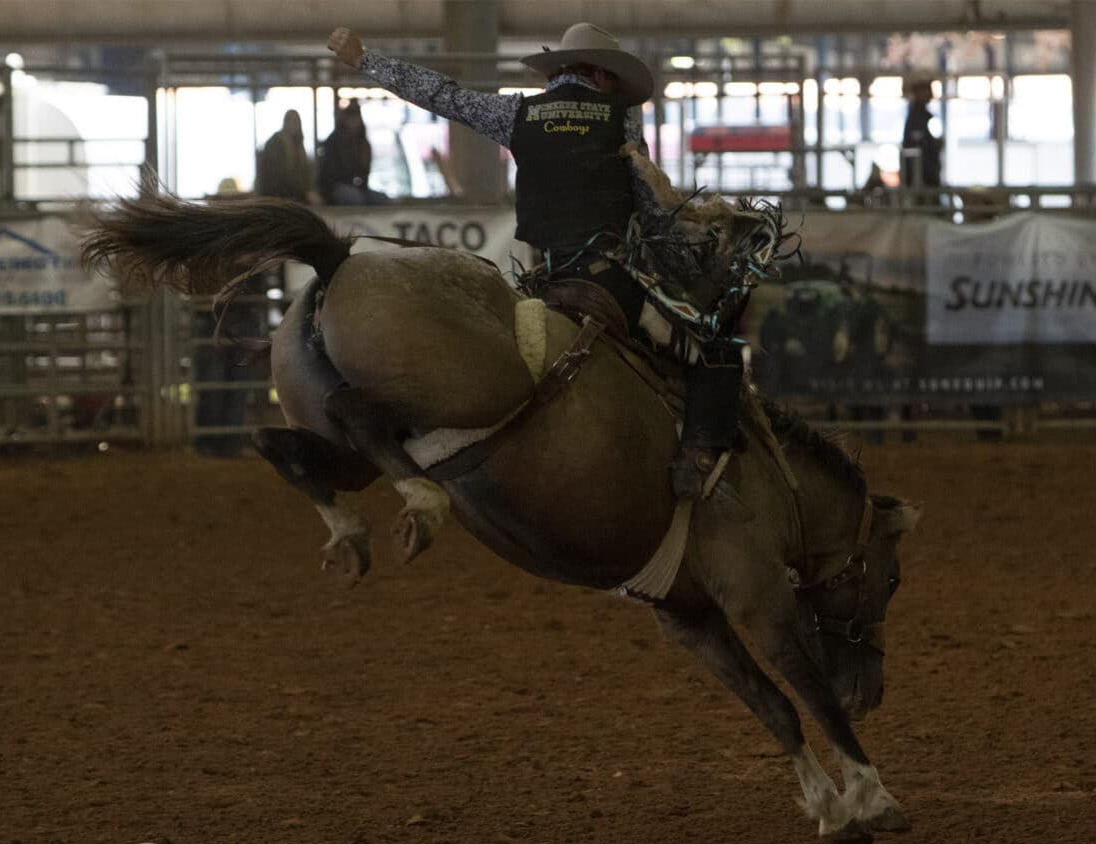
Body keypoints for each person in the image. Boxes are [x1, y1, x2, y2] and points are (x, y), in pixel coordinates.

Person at [328, 22, 743, 498]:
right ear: (602, 75)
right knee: (716, 340)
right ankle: (698, 455)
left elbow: (443, 95)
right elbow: (653, 215)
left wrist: (365, 59)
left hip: (541, 283)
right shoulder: (623, 124)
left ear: (562, 69)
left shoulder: (517, 112)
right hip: (611, 282)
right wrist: (692, 260)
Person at [318, 101, 385, 205]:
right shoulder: (335, 141)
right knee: (356, 198)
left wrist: (359, 182)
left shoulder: (363, 143)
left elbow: (365, 171)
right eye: (351, 118)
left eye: (356, 118)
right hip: (336, 187)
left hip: (358, 187)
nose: (354, 122)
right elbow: (329, 172)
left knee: (381, 199)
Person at [255, 109, 315, 203]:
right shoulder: (275, 143)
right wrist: (304, 193)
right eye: (291, 121)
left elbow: (304, 172)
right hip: (277, 194)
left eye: (296, 122)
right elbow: (277, 176)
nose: (294, 125)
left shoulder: (298, 145)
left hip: (293, 193)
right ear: (285, 123)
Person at [900, 79, 941, 192]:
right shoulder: (917, 118)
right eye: (927, 89)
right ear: (918, 92)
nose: (931, 93)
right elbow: (915, 150)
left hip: (923, 178)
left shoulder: (920, 117)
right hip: (923, 181)